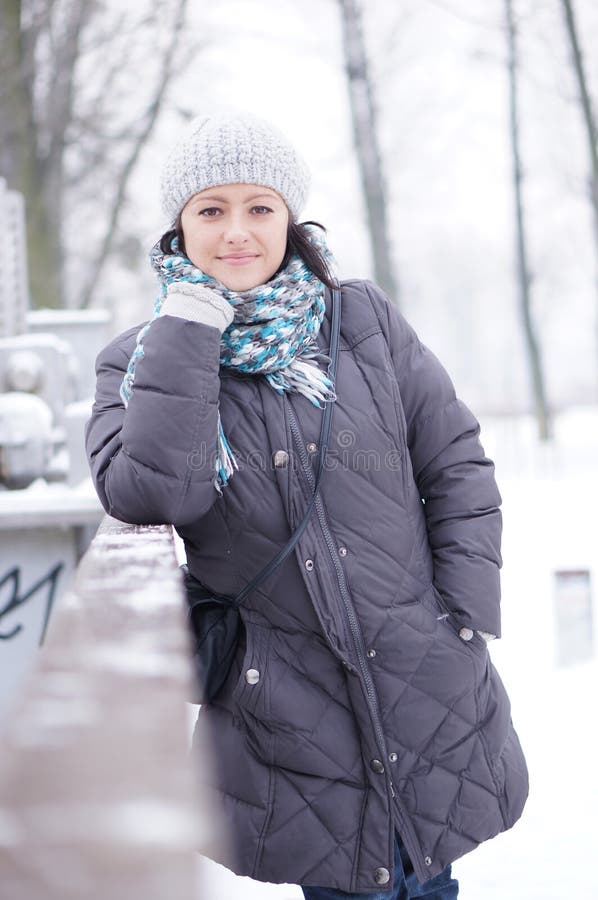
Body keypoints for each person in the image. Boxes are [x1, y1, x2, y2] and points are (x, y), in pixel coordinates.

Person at [85, 112, 528, 899]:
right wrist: (190, 328)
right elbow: (156, 492)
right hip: (282, 696)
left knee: (430, 877)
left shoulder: (360, 322)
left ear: (290, 218)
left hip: (418, 670)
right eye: (211, 210)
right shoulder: (137, 357)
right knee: (348, 882)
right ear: (178, 226)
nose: (238, 233)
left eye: (260, 207)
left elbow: (454, 463)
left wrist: (459, 614)